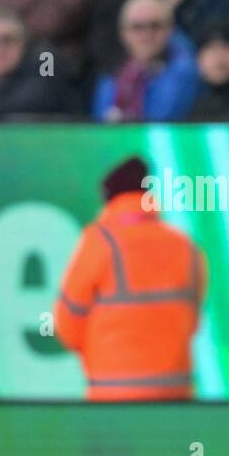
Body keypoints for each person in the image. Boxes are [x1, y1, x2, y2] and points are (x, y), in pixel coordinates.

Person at [54, 156, 208, 402]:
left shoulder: (100, 243)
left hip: (113, 397)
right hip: (176, 397)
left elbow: (67, 324)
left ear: (110, 199)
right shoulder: (185, 247)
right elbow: (192, 319)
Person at [92, 0, 200, 122]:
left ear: (170, 29)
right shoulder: (111, 76)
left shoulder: (187, 70)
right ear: (123, 33)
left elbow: (161, 121)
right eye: (137, 27)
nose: (147, 34)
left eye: (155, 26)